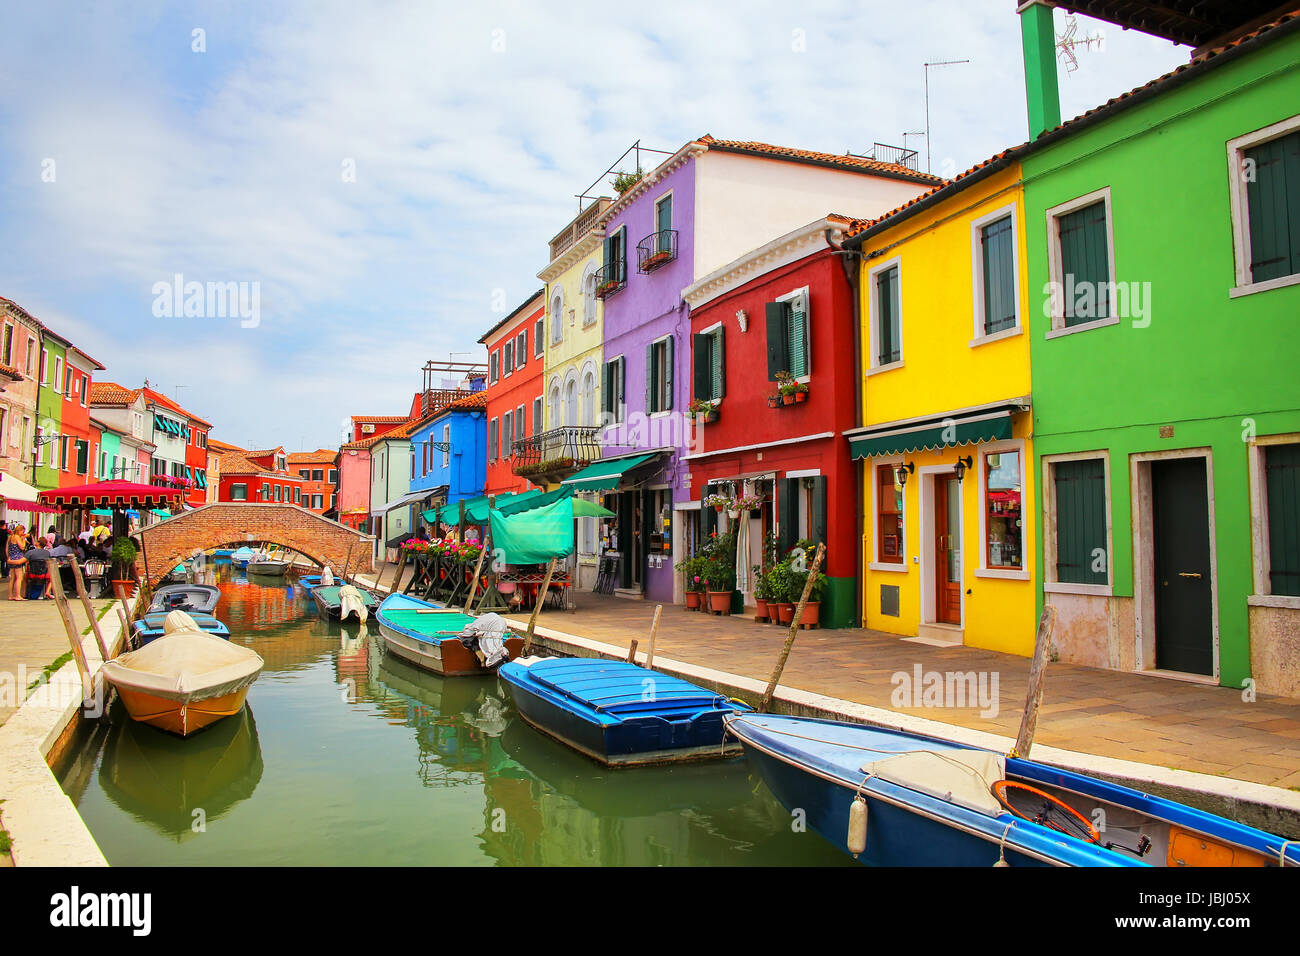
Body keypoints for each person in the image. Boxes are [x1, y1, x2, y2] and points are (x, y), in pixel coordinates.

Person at [24, 535, 53, 600]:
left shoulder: (31, 552)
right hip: (44, 574)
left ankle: (25, 593)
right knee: (52, 579)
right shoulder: (47, 553)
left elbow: (24, 562)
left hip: (32, 574)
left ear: (38, 543)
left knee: (23, 577)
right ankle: (47, 591)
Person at [7, 524, 28, 599]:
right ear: (19, 530)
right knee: (19, 577)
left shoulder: (10, 537)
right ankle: (18, 595)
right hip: (18, 558)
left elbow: (7, 549)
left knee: (12, 578)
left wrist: (9, 557)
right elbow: (22, 547)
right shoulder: (17, 537)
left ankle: (10, 595)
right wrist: (23, 540)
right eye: (22, 531)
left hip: (11, 558)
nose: (23, 533)